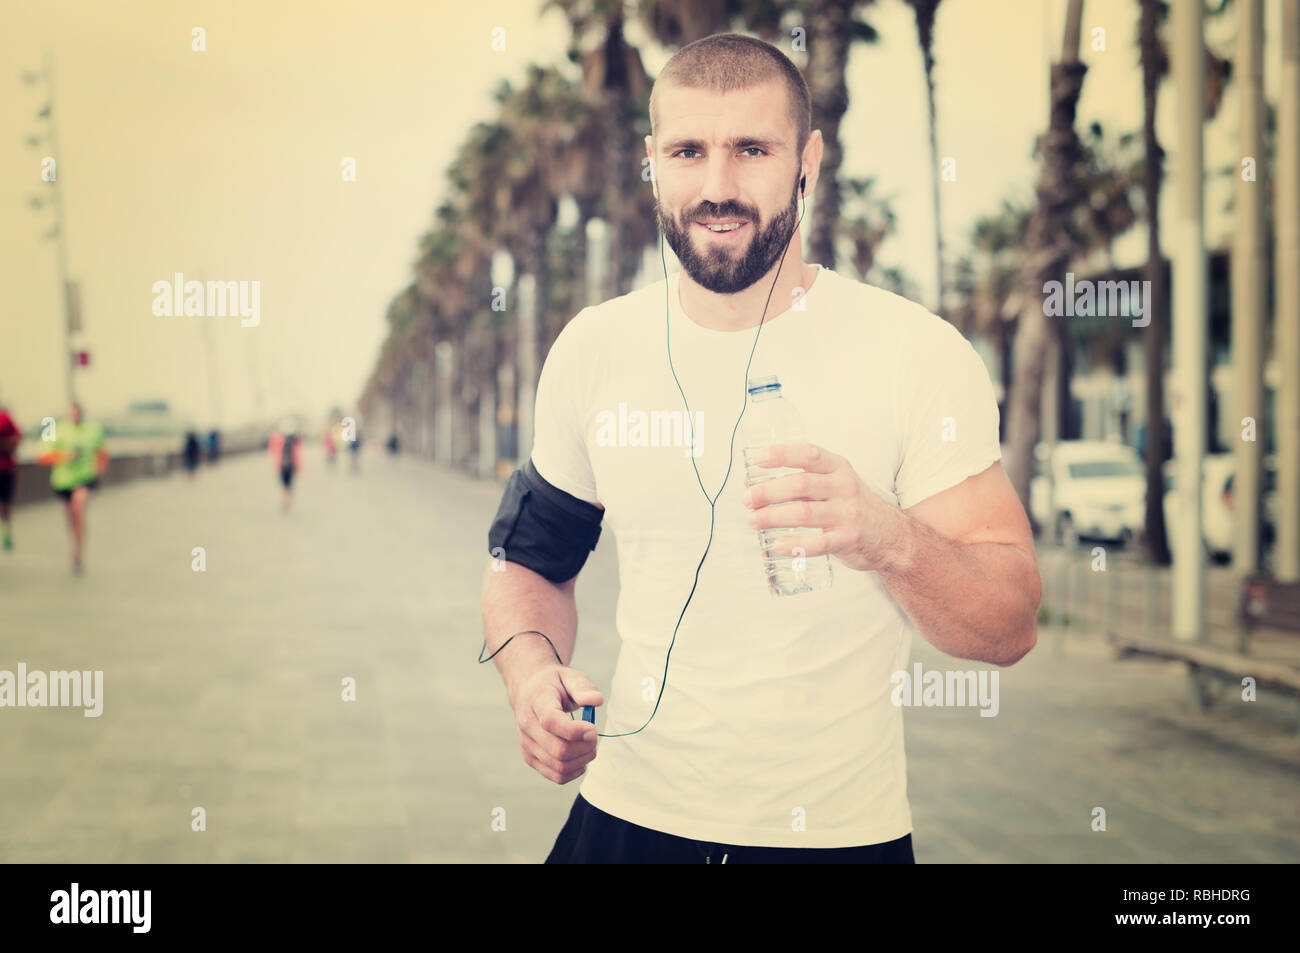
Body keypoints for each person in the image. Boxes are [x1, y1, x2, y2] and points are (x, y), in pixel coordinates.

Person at [481, 34, 1040, 864]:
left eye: (752, 149)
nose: (717, 187)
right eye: (688, 151)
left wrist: (882, 534)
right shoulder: (595, 349)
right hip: (622, 822)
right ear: (652, 162)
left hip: (836, 839)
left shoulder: (915, 352)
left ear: (807, 159)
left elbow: (1011, 620)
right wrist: (531, 677)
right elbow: (527, 562)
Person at [37, 401, 107, 573]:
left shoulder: (94, 430)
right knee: (71, 517)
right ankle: (74, 544)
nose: (76, 416)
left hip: (85, 479)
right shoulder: (54, 428)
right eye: (72, 413)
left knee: (78, 509)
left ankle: (79, 552)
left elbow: (103, 452)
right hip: (62, 481)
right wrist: (65, 455)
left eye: (78, 413)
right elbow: (42, 456)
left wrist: (98, 469)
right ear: (68, 414)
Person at [0, 403, 21, 551]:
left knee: (5, 503)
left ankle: (6, 532)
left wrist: (4, 445)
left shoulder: (5, 418)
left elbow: (18, 438)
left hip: (5, 469)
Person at [268, 419, 301, 512]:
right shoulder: (288, 440)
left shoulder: (290, 440)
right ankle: (286, 500)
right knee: (287, 486)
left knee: (286, 486)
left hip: (287, 466)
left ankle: (286, 500)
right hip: (285, 466)